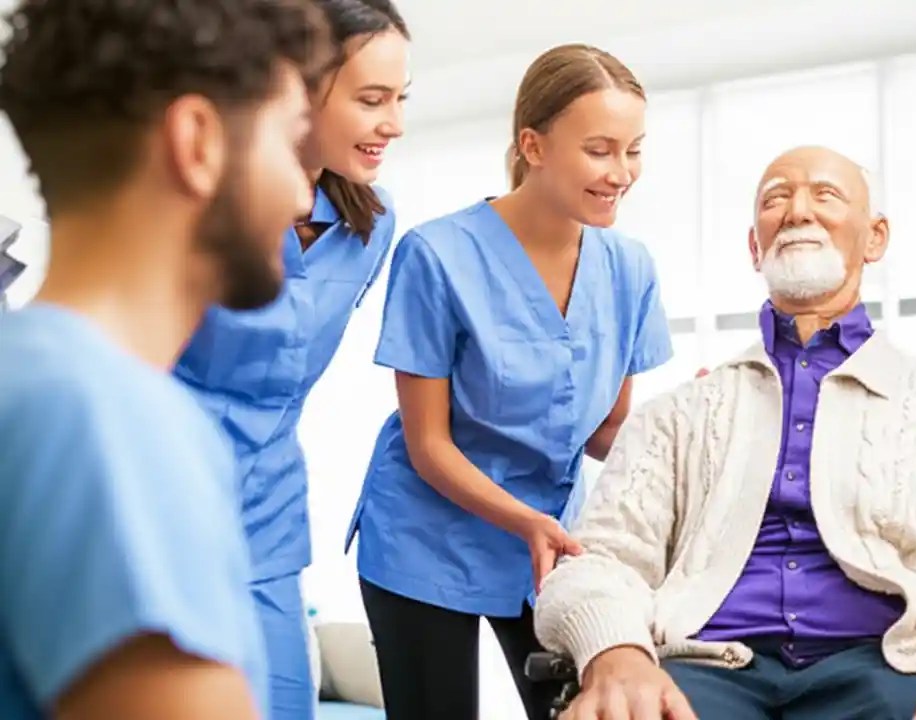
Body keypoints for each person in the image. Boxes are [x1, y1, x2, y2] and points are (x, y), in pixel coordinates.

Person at [533, 146, 916, 720]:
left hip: (898, 670)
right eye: (776, 198)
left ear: (875, 238)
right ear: (753, 245)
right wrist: (614, 652)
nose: (798, 210)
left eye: (826, 194)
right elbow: (601, 562)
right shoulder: (674, 417)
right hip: (700, 669)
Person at [0, 1, 329, 718]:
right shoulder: (104, 420)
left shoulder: (25, 379)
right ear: (198, 142)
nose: (304, 191)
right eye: (290, 139)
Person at [346, 43, 673, 720]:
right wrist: (526, 521)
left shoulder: (630, 268)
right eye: (600, 149)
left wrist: (697, 444)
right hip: (426, 539)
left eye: (634, 150)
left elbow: (611, 434)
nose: (622, 173)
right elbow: (428, 444)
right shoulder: (437, 255)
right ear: (534, 145)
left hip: (555, 547)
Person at [172, 2, 409, 717]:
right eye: (372, 99)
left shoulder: (374, 224)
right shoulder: (202, 200)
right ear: (297, 90)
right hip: (162, 499)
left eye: (401, 99)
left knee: (283, 702)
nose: (394, 122)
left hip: (268, 517)